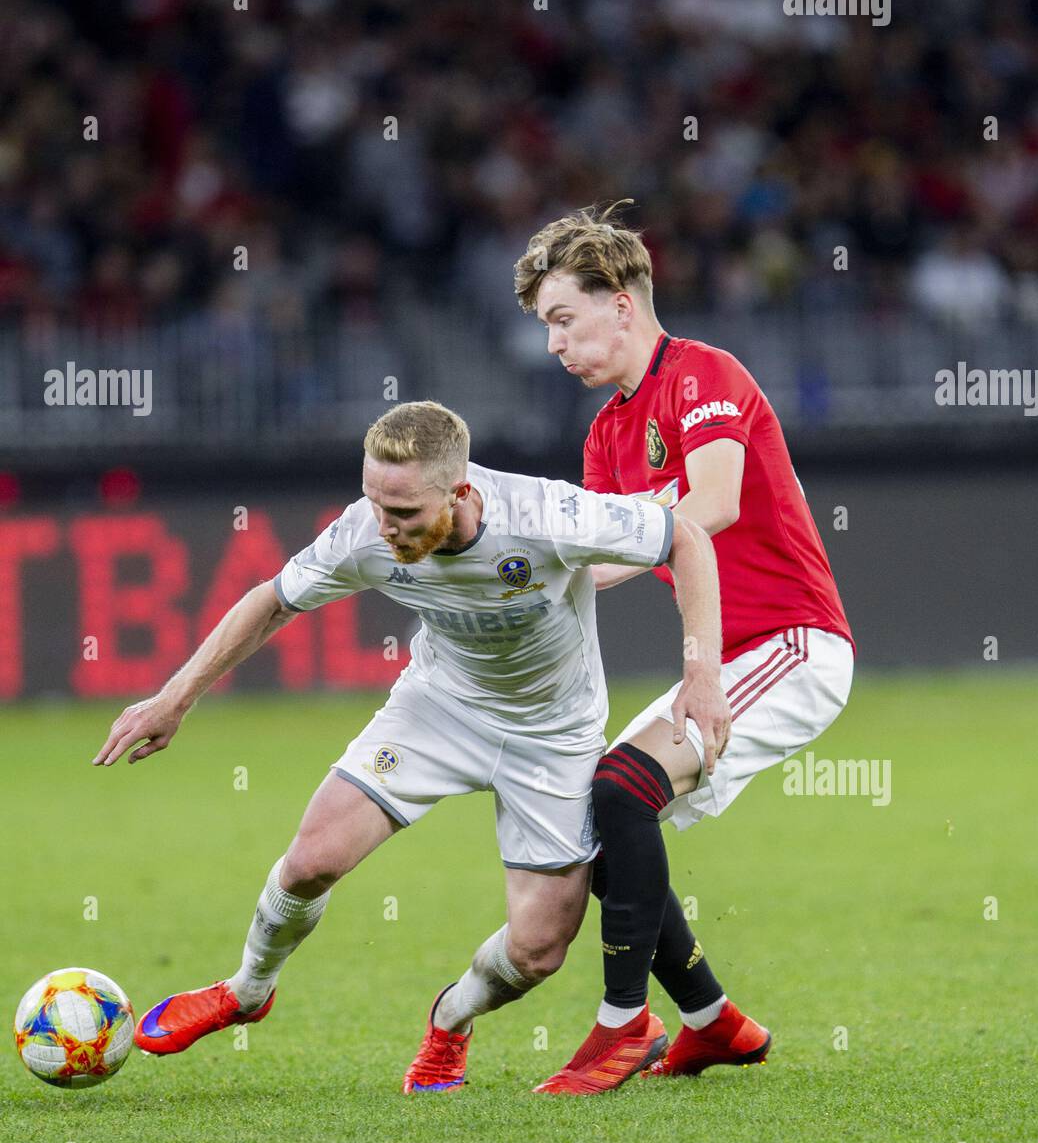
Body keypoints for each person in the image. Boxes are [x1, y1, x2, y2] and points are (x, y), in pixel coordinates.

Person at [92, 399, 729, 1092]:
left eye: (404, 514)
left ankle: (450, 1022)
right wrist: (174, 696)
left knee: (540, 950)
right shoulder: (366, 529)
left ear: (460, 493)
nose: (385, 529)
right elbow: (271, 599)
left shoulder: (548, 514)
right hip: (438, 710)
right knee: (311, 861)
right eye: (375, 503)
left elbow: (685, 539)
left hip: (554, 737)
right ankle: (247, 991)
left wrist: (702, 674)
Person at [514, 200, 855, 1094]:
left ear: (620, 300)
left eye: (563, 318)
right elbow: (593, 566)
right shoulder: (603, 435)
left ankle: (622, 1026)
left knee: (621, 793)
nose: (554, 345)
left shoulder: (703, 373)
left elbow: (713, 504)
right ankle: (714, 1023)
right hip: (721, 655)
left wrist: (615, 548)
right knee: (597, 819)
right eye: (546, 326)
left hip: (791, 645)